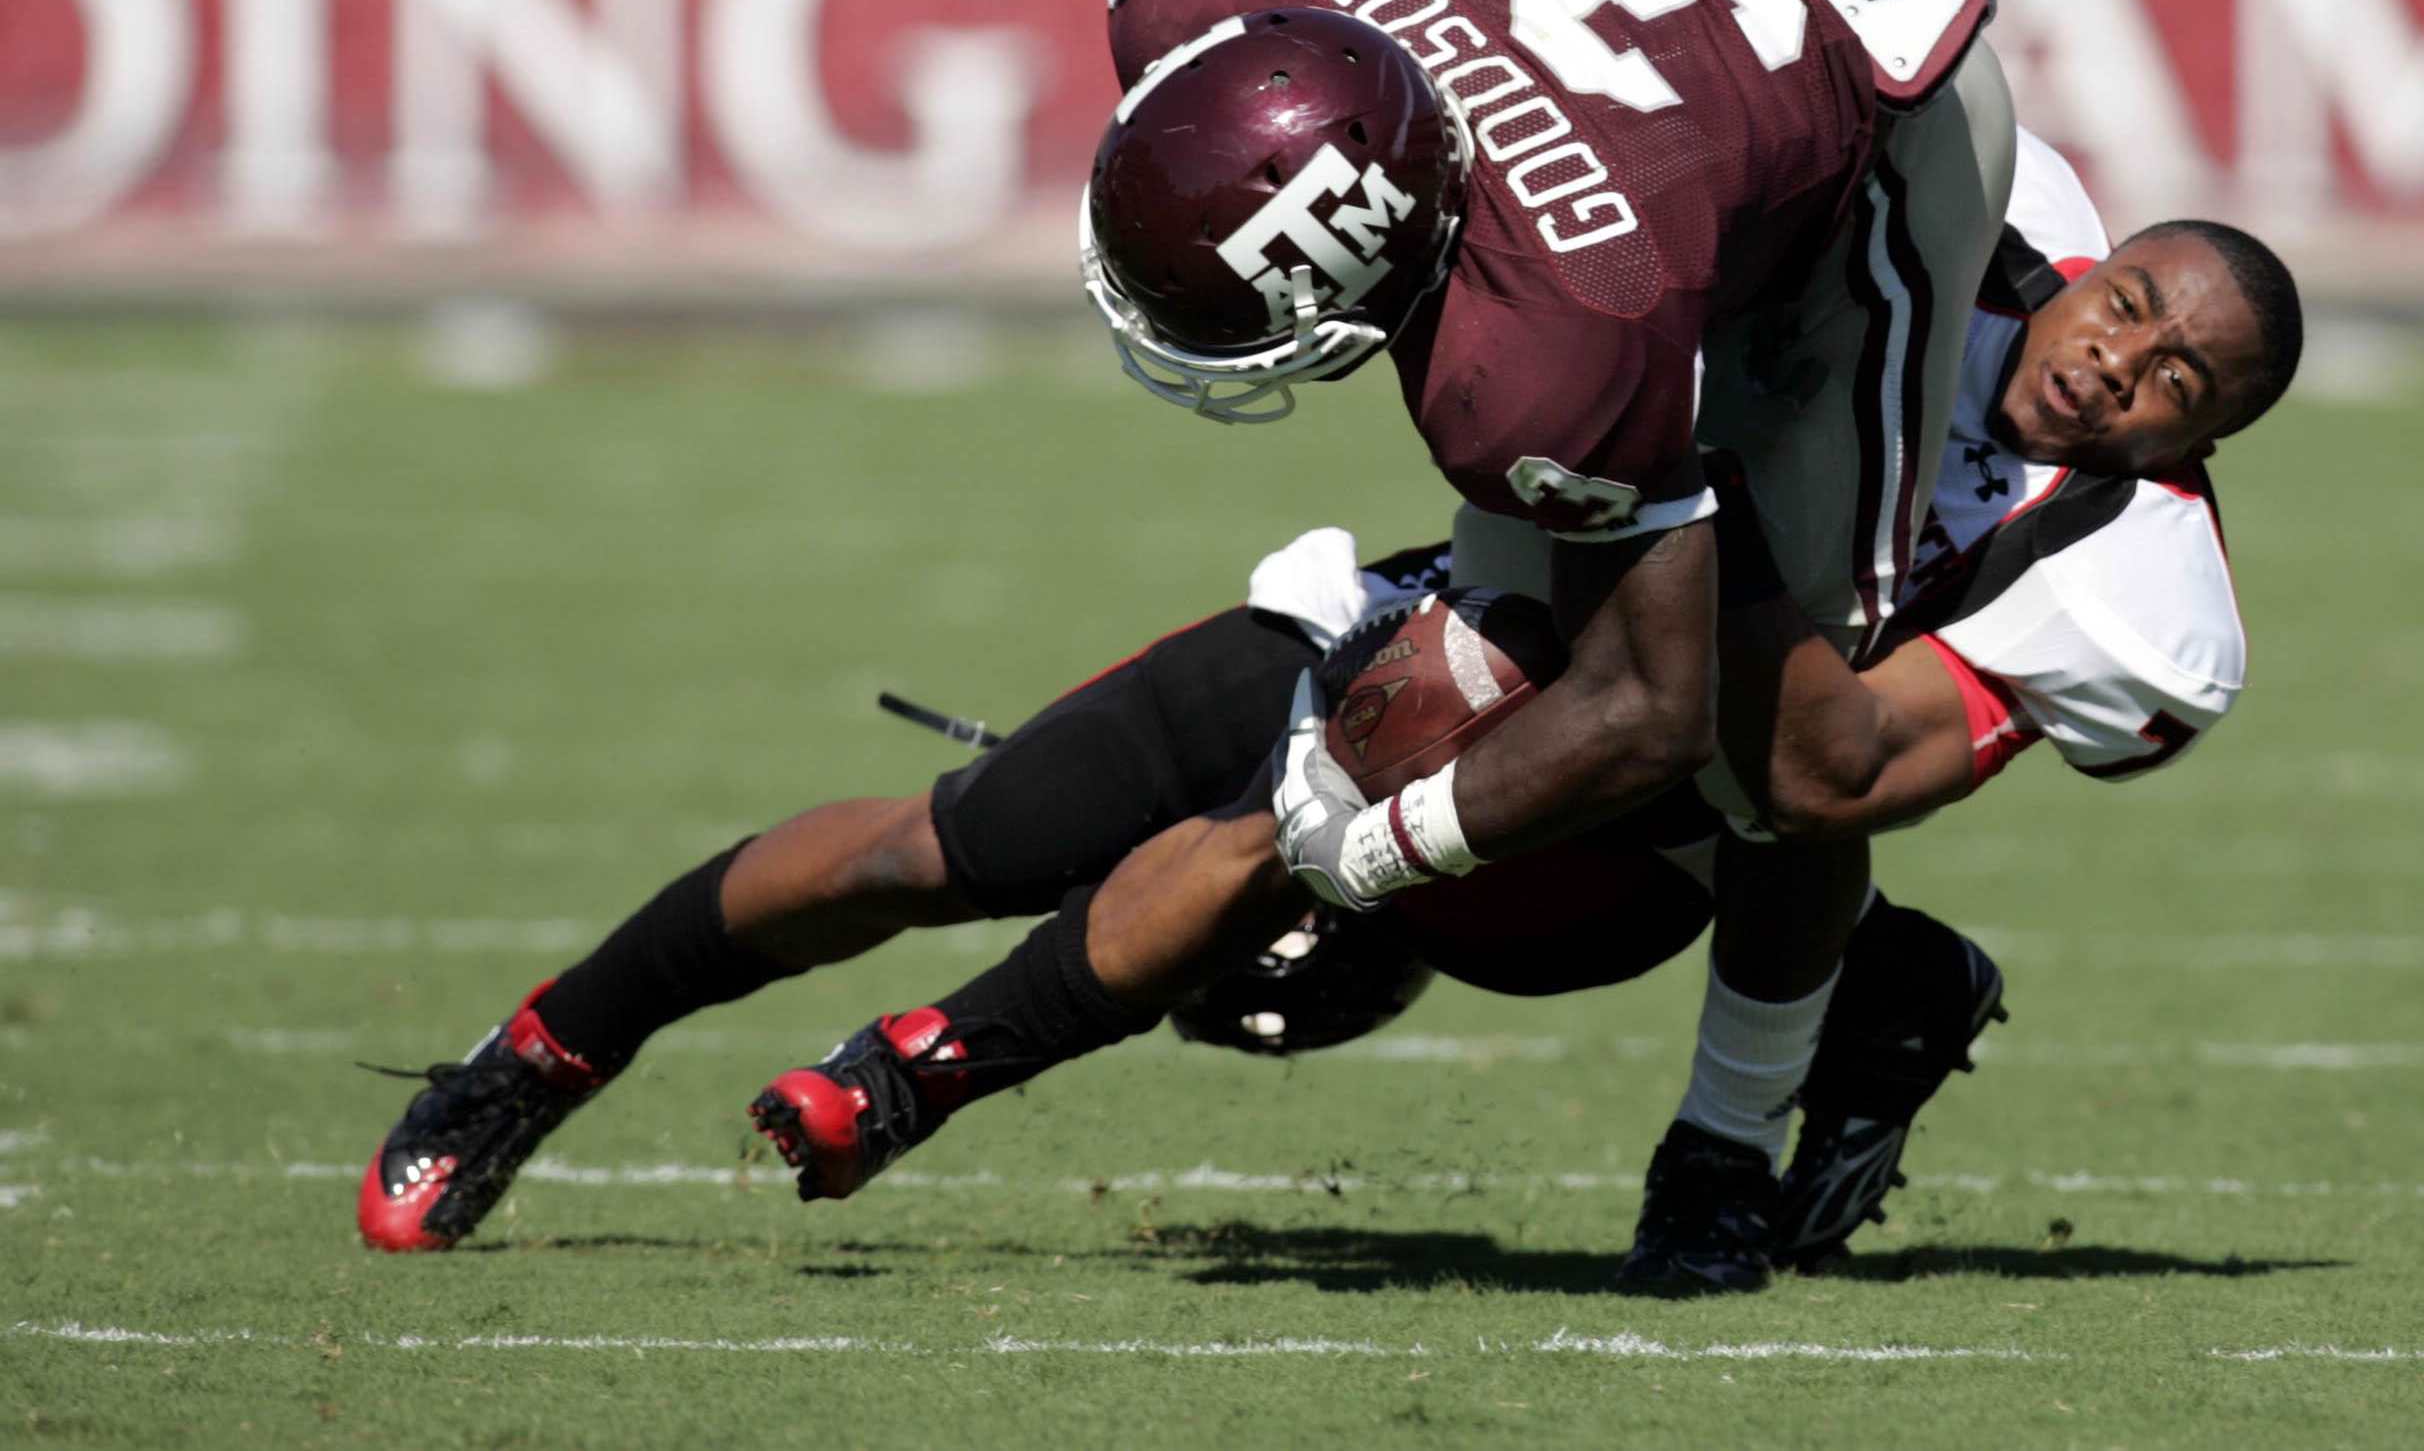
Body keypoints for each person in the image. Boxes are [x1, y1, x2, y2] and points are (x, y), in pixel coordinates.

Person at [356, 129, 2306, 1293]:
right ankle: (539, 1050)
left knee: (1789, 808)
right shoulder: (1969, 186)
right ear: (2100, 256)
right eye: (2130, 305)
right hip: (1479, 595)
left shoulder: (2143, 586)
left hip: (1649, 807)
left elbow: (1831, 757)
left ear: (2205, 436)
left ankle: (1721, 1140)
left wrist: (1705, 530)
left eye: (2178, 382)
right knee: (959, 839)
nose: (2119, 363)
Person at [1074, 0, 2023, 1286]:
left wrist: (1376, 849)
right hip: (1676, 47)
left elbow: (1648, 710)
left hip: (1885, 112)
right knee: (1577, 584)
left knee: (1786, 745)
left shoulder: (1544, 343)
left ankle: (1728, 1141)